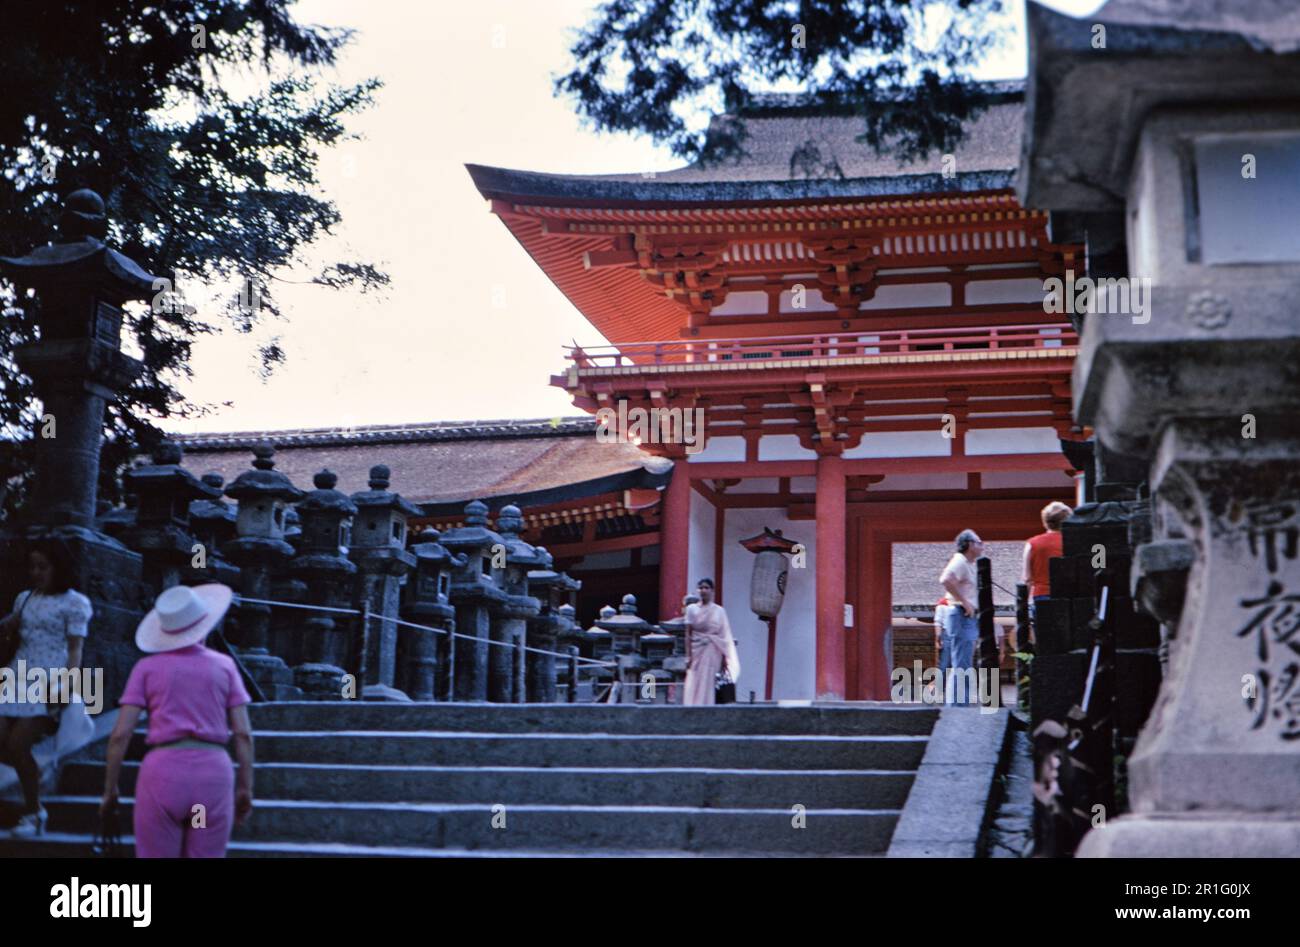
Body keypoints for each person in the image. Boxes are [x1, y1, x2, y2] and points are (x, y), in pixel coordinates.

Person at [101, 583, 254, 858]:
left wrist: (110, 787)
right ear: (204, 624)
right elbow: (243, 734)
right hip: (210, 781)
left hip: (163, 778)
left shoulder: (146, 668)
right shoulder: (224, 666)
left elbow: (120, 735)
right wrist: (245, 785)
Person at [0, 539, 92, 837]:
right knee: (4, 740)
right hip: (17, 674)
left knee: (17, 743)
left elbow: (75, 649)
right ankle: (34, 776)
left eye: (44, 566)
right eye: (33, 566)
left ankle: (34, 810)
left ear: (58, 567)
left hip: (48, 677)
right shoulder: (25, 598)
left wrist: (66, 686)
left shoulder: (74, 602)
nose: (36, 572)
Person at [937, 529, 983, 703]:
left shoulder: (968, 563)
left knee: (963, 662)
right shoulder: (960, 561)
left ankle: (959, 703)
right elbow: (946, 579)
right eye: (979, 542)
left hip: (964, 616)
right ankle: (957, 707)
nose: (982, 546)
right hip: (960, 614)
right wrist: (965, 602)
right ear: (970, 544)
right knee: (961, 663)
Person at [683, 578, 740, 706]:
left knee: (709, 680)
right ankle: (693, 707)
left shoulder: (719, 611)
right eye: (701, 587)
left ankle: (708, 707)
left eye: (706, 587)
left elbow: (725, 635)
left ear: (712, 591)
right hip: (696, 650)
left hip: (713, 650)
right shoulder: (691, 609)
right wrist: (688, 656)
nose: (703, 590)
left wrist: (727, 656)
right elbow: (688, 634)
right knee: (694, 679)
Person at [1022, 501, 1073, 637]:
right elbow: (1097, 561)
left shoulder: (1032, 544)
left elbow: (1027, 578)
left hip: (1041, 596)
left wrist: (1023, 606)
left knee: (1045, 640)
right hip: (1068, 595)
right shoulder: (1073, 542)